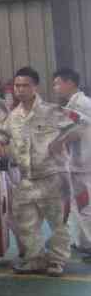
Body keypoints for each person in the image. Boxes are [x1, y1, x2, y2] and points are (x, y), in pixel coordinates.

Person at [0, 67, 86, 277]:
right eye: (17, 86)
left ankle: (57, 261)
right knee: (25, 223)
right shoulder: (14, 116)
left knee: (58, 223)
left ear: (35, 87)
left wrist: (61, 141)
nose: (20, 90)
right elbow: (2, 132)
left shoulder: (52, 111)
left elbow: (82, 123)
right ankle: (35, 259)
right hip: (26, 180)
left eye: (25, 85)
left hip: (51, 177)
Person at [52, 68, 91, 259]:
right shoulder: (73, 104)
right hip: (78, 163)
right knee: (77, 206)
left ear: (70, 83)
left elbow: (82, 127)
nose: (55, 87)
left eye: (57, 83)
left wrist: (60, 140)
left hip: (85, 164)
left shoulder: (82, 104)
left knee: (85, 207)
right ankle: (83, 242)